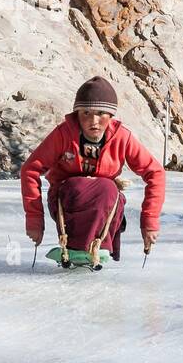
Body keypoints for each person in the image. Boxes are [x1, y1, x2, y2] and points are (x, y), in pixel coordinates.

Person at [21, 76, 165, 267]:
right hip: (67, 201)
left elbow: (155, 173)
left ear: (111, 115)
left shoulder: (122, 138)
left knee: (107, 188)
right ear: (77, 113)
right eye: (86, 112)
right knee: (77, 185)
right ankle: (72, 248)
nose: (94, 121)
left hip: (105, 204)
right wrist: (34, 219)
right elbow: (30, 169)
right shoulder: (64, 134)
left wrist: (149, 221)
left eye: (101, 113)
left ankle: (98, 247)